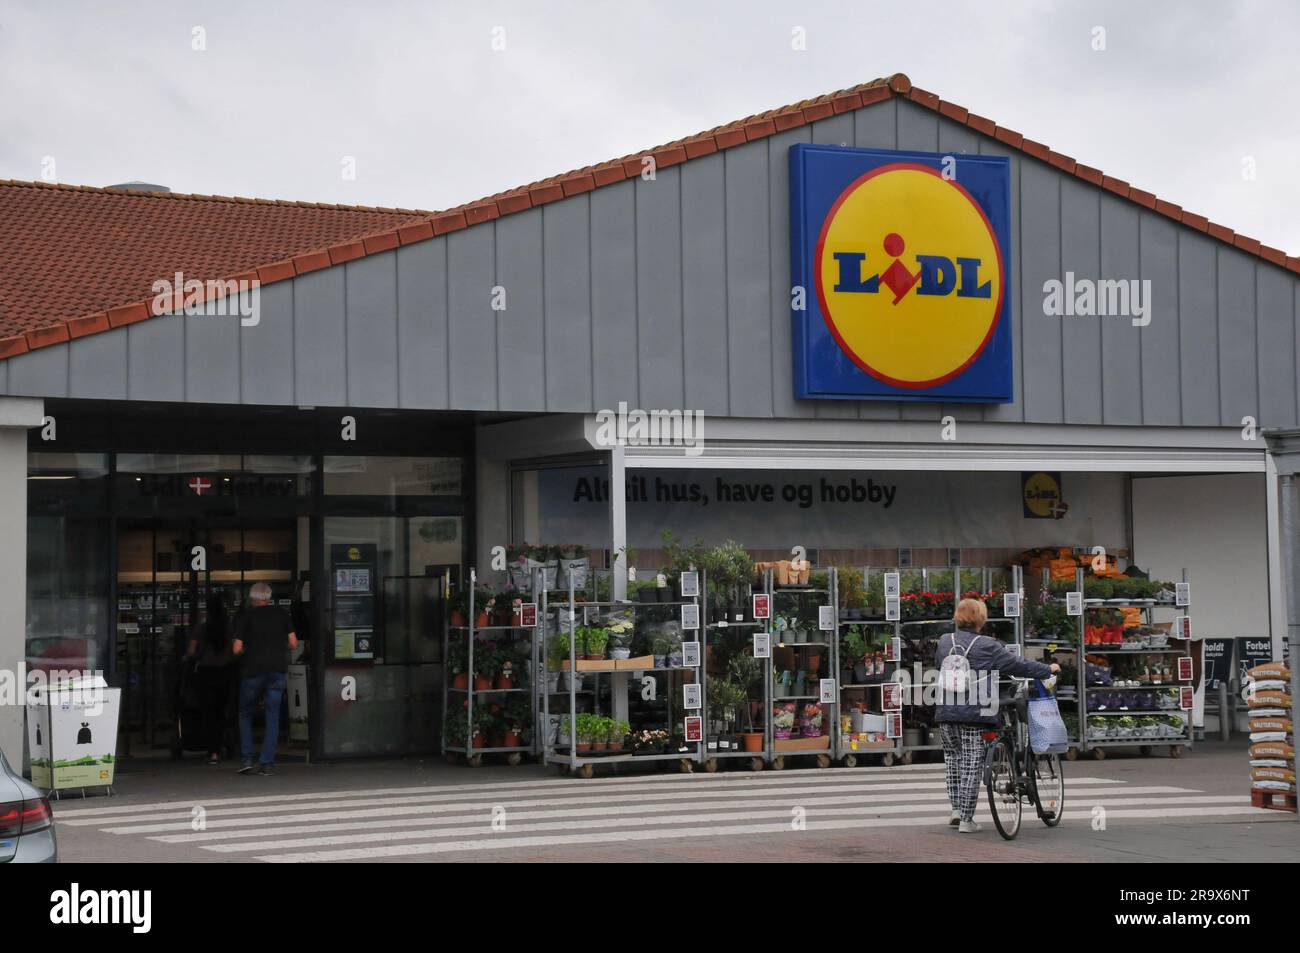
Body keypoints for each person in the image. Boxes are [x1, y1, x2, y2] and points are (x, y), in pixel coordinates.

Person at [934, 597, 1059, 834]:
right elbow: (1017, 665)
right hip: (975, 713)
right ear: (981, 618)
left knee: (953, 761)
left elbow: (940, 665)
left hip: (945, 711)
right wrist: (1047, 669)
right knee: (971, 765)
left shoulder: (943, 642)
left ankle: (956, 810)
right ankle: (966, 821)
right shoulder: (988, 645)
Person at [232, 582, 297, 775]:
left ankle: (247, 759)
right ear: (268, 597)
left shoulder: (245, 617)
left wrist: (247, 651)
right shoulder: (282, 614)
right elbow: (293, 643)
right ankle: (267, 763)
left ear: (252, 598)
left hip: (252, 671)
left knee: (245, 713)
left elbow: (236, 648)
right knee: (272, 715)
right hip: (276, 671)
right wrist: (278, 649)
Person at [185, 593, 234, 765]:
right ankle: (219, 747)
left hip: (205, 673)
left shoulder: (201, 628)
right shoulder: (229, 628)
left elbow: (191, 651)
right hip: (225, 672)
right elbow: (236, 650)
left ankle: (211, 750)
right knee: (221, 712)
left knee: (208, 713)